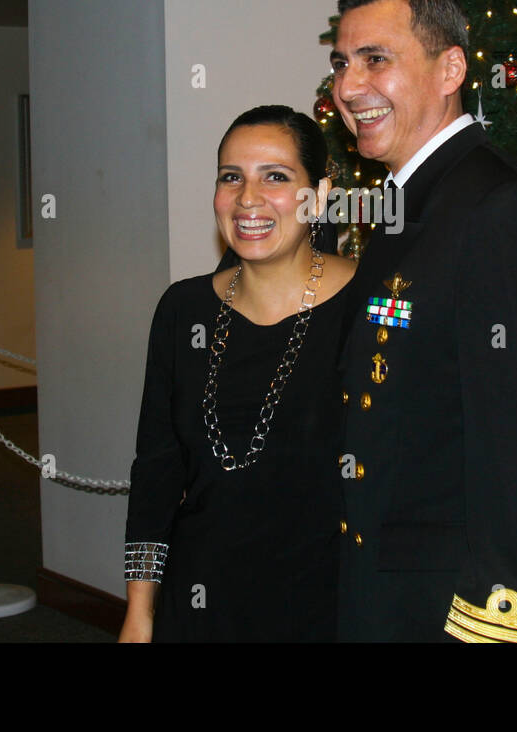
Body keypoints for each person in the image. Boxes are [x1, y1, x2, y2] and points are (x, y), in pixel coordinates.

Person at [330, 0, 517, 642]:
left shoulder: (504, 210)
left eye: (375, 59)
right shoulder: (410, 204)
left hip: (456, 612)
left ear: (451, 68)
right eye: (341, 62)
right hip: (389, 592)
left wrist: (495, 625)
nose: (349, 87)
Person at [119, 105, 356, 642]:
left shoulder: (371, 307)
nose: (248, 199)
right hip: (203, 597)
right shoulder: (183, 310)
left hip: (329, 602)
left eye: (276, 176)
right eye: (232, 177)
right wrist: (140, 611)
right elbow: (157, 468)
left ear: (317, 197)